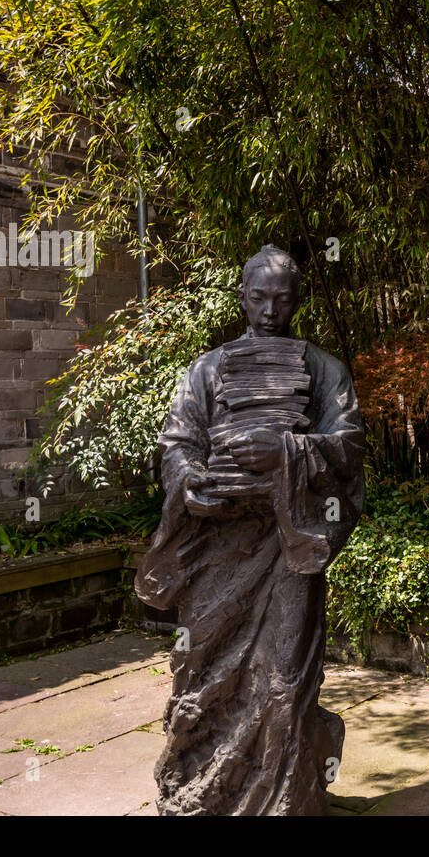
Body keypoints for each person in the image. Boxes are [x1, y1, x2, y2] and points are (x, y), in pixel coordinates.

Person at [135, 244, 365, 814]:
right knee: (204, 668)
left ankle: (281, 796)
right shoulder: (208, 369)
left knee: (282, 675)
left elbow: (349, 445)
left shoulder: (323, 370)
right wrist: (188, 479)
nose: (269, 311)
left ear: (297, 302)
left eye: (281, 300)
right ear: (241, 297)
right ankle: (202, 789)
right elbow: (178, 442)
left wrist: (286, 449)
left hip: (289, 545)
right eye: (259, 298)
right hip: (217, 546)